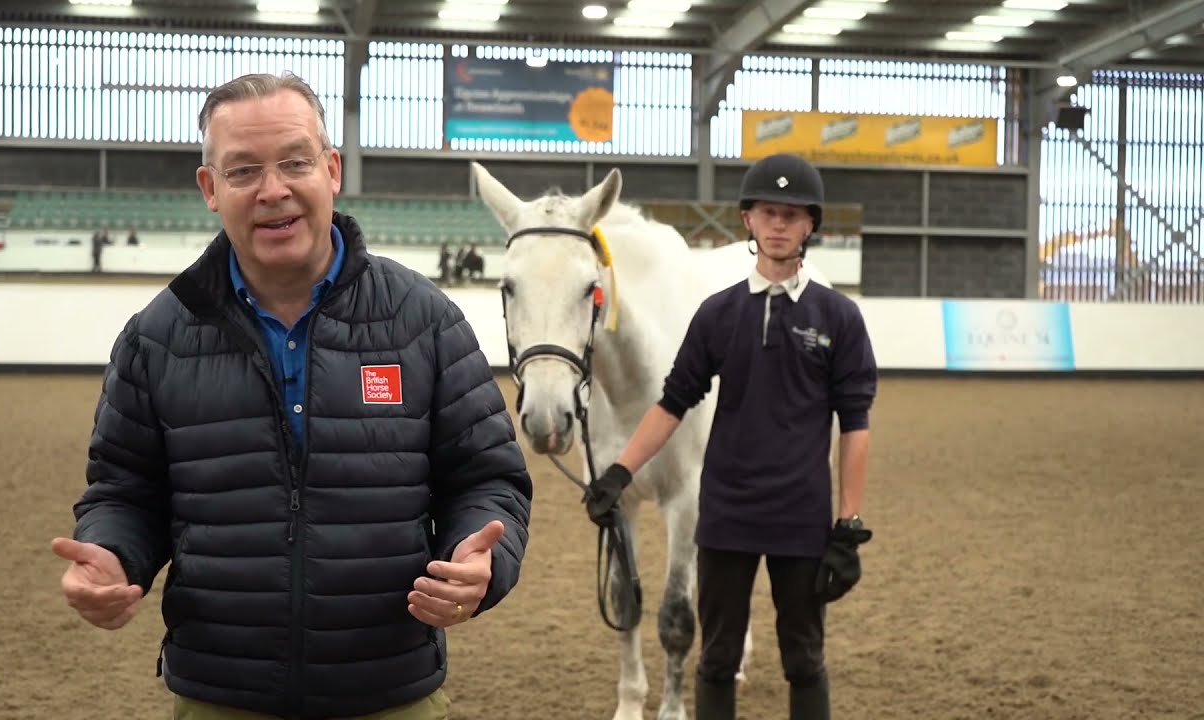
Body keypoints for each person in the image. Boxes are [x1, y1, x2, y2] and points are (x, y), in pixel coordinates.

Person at [50, 72, 533, 720]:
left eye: (295, 162)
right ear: (210, 189)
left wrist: (481, 558)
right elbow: (125, 490)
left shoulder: (423, 321)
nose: (273, 190)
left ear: (331, 170)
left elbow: (489, 479)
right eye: (244, 170)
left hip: (390, 692)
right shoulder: (156, 339)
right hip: (221, 695)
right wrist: (111, 554)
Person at [584, 153, 878, 720]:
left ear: (810, 225)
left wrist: (849, 522)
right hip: (726, 517)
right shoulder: (717, 314)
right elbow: (672, 403)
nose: (779, 225)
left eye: (792, 215)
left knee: (804, 659)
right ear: (747, 219)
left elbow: (856, 424)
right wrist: (619, 472)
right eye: (768, 212)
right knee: (716, 658)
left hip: (801, 516)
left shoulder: (838, 316)